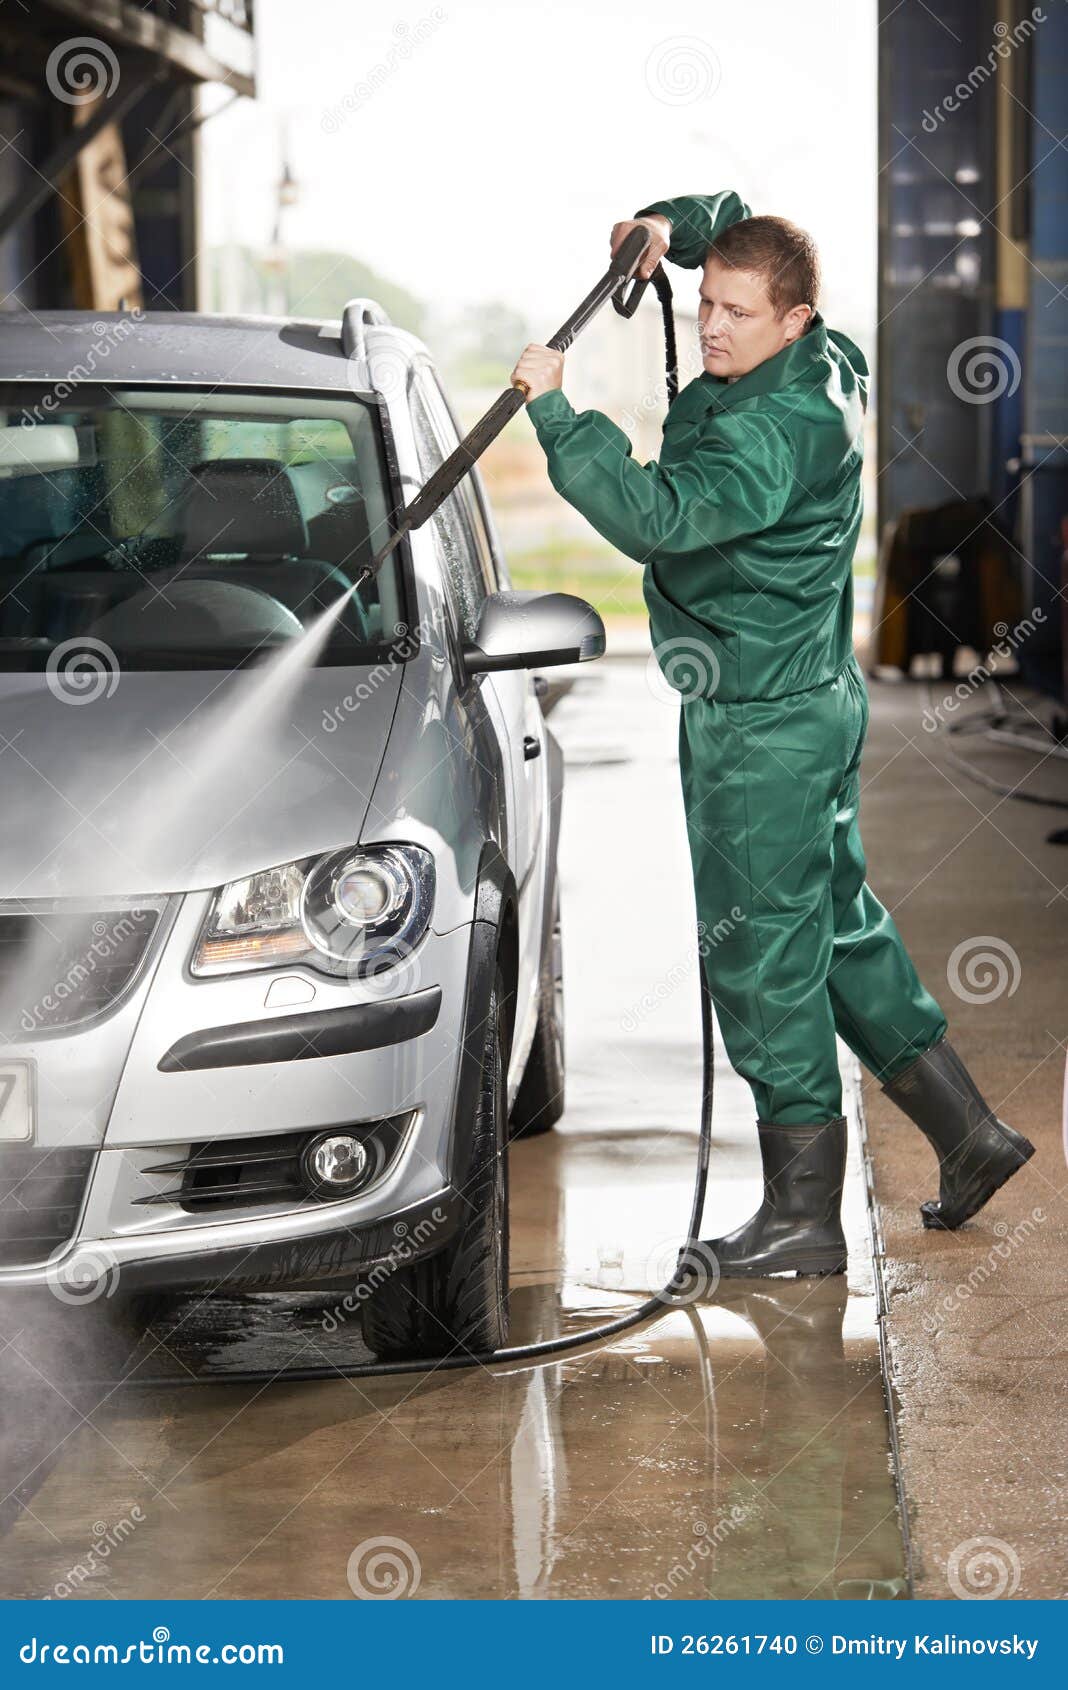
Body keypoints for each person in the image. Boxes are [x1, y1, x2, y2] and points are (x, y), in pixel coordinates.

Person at [511, 190, 1035, 1277]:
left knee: (762, 960)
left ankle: (802, 1220)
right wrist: (667, 227)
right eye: (707, 303)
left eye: (738, 313)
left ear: (793, 320)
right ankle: (970, 1135)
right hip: (810, 705)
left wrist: (556, 415)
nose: (711, 326)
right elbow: (744, 218)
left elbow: (659, 516)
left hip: (759, 725)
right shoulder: (824, 358)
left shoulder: (771, 429)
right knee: (836, 931)